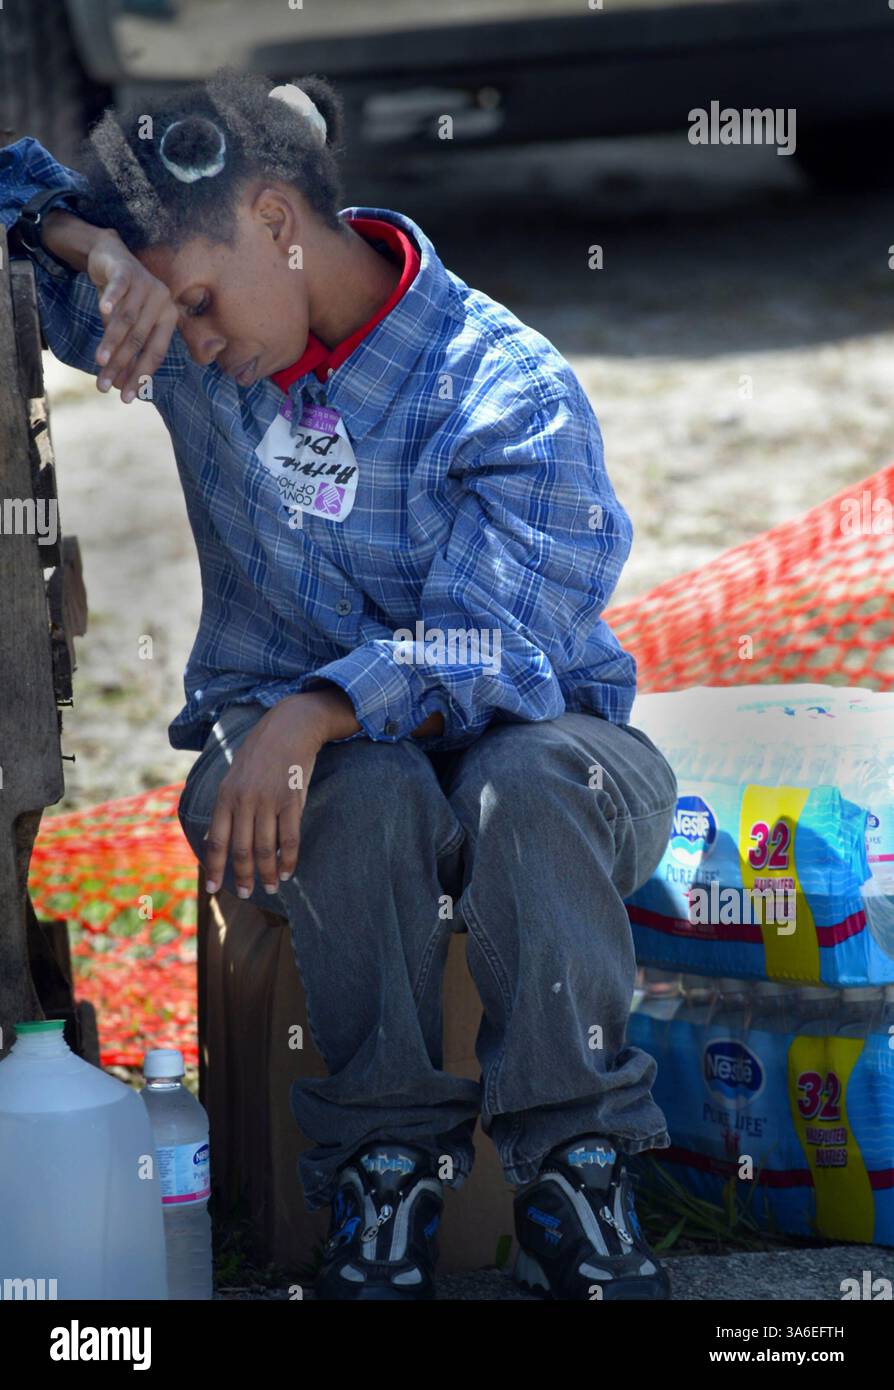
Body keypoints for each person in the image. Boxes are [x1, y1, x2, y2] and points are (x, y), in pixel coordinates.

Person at [0, 68, 679, 1301]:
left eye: (198, 299)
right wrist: (96, 251)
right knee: (359, 797)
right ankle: (385, 1177)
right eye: (172, 314)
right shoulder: (188, 339)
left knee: (522, 780)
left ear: (274, 220)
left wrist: (318, 706)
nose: (187, 342)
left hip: (552, 754)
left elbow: (498, 646)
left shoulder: (505, 384)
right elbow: (4, 172)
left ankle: (579, 1175)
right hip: (305, 785)